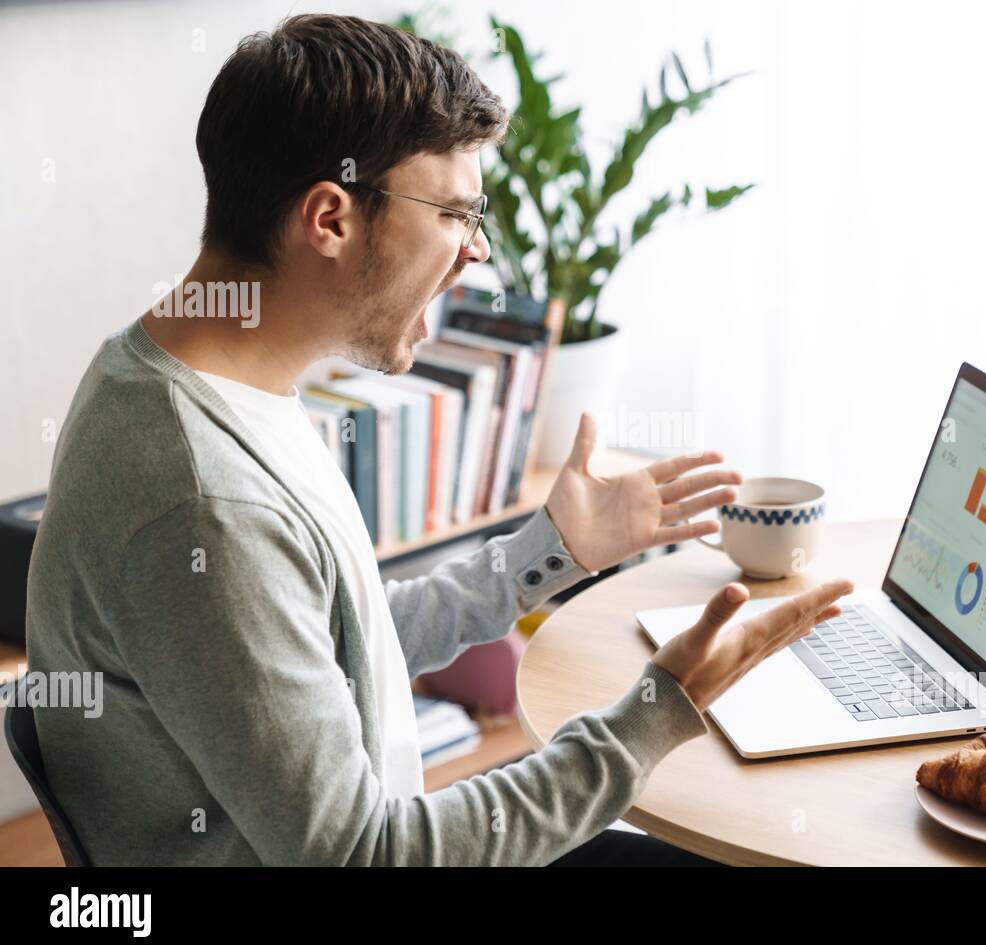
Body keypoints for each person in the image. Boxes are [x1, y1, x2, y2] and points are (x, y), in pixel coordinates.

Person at [25, 13, 852, 865]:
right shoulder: (204, 499)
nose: (480, 251)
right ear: (331, 219)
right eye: (456, 213)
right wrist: (654, 715)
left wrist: (548, 550)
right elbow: (362, 855)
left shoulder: (191, 374)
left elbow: (336, 644)